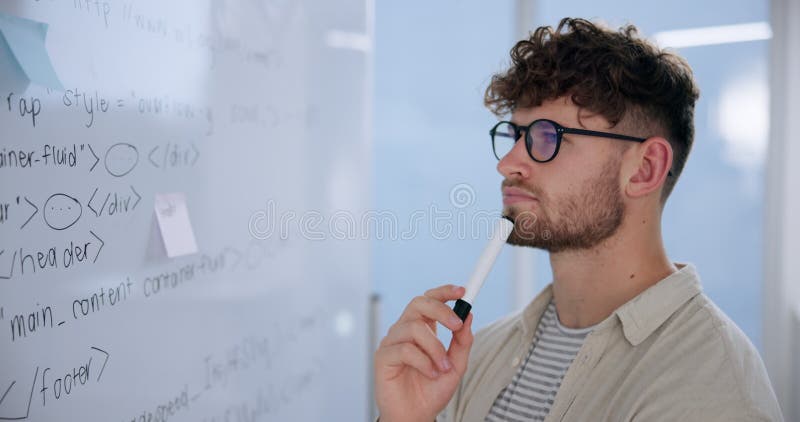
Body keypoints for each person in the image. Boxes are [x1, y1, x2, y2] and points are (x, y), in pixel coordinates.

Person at [373, 17, 783, 422]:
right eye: (515, 136)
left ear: (644, 169)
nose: (509, 164)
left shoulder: (708, 385)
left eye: (547, 136)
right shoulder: (479, 355)